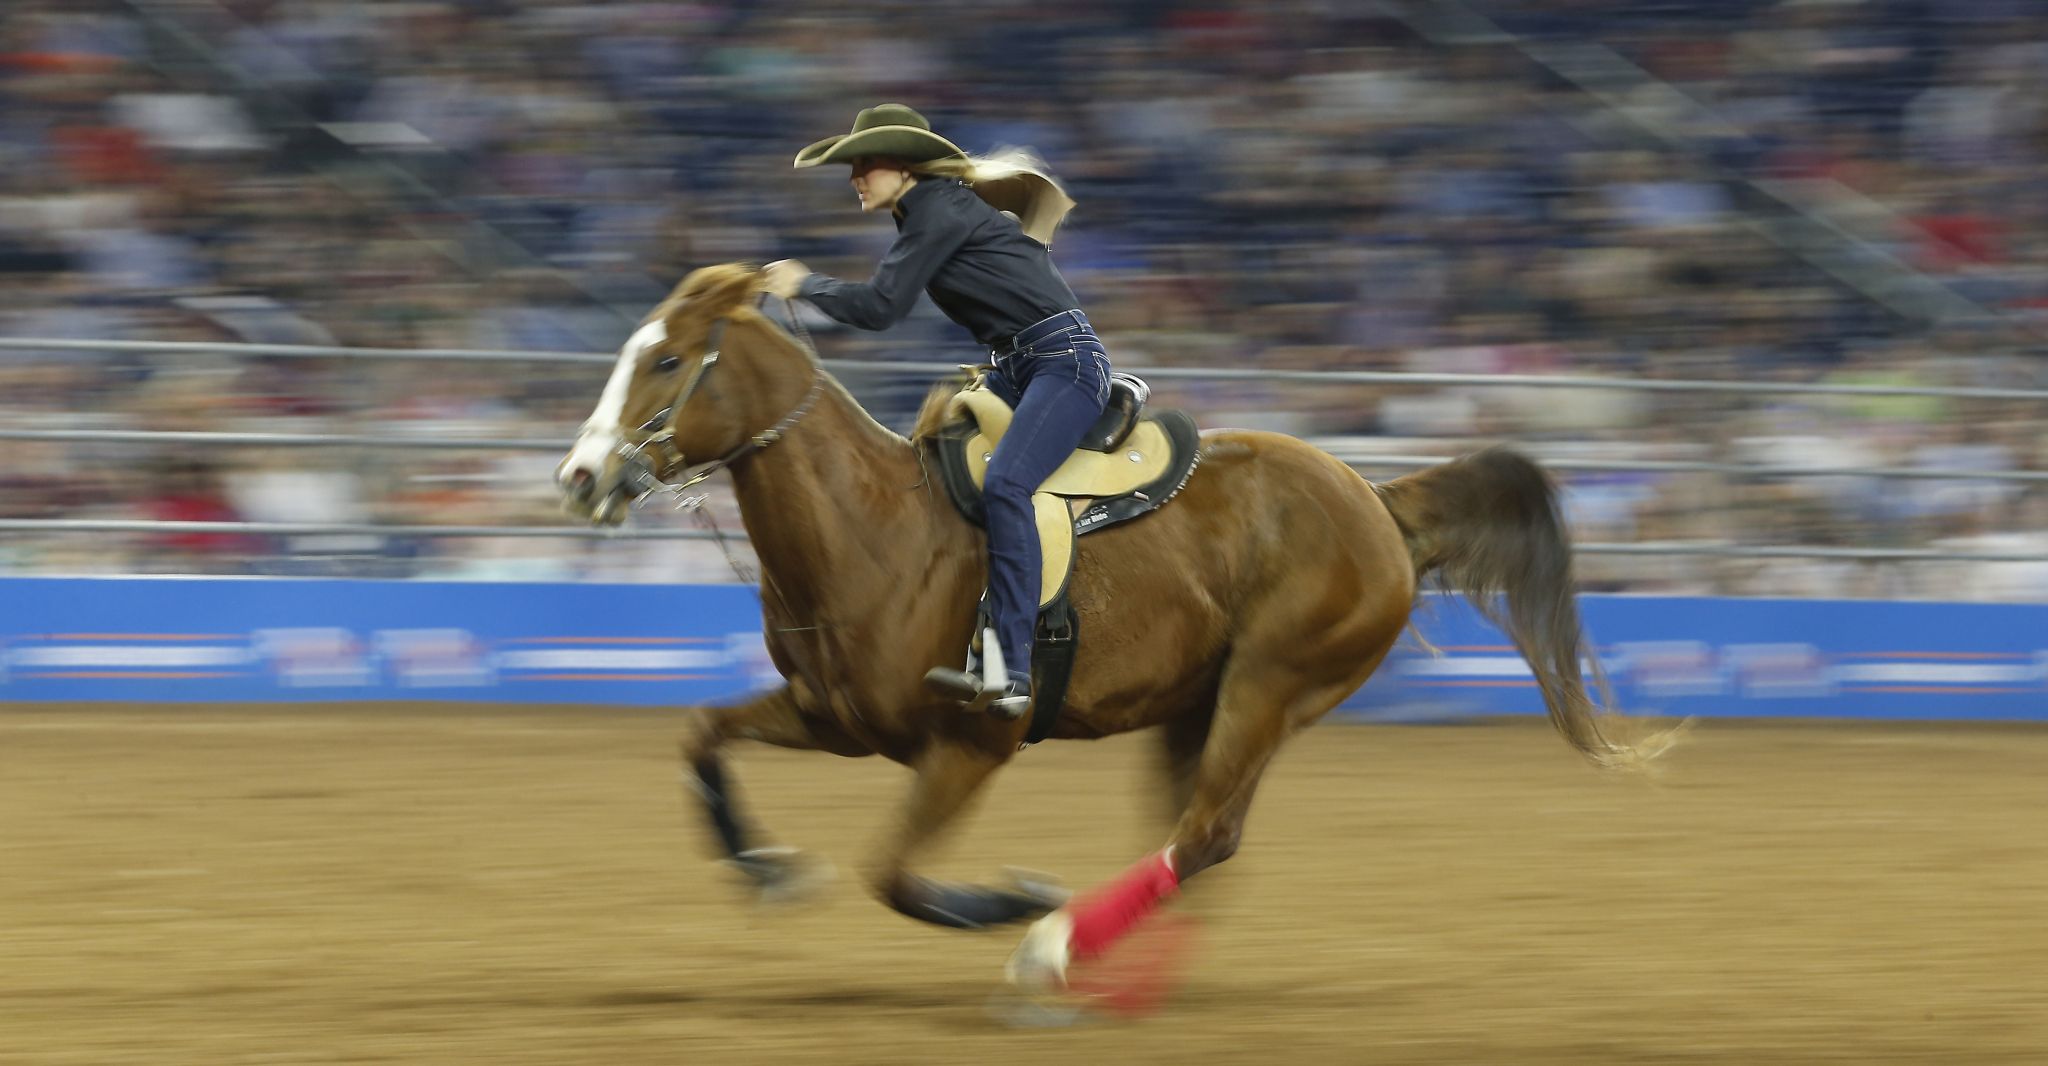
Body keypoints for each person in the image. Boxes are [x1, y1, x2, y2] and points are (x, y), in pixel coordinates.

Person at [762, 104, 1107, 717]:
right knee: (931, 469)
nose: (855, 178)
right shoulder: (932, 211)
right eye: (853, 167)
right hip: (1023, 366)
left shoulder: (936, 209)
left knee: (1006, 484)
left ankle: (1013, 666)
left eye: (865, 164)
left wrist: (804, 284)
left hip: (1061, 364)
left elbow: (879, 307)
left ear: (906, 167)